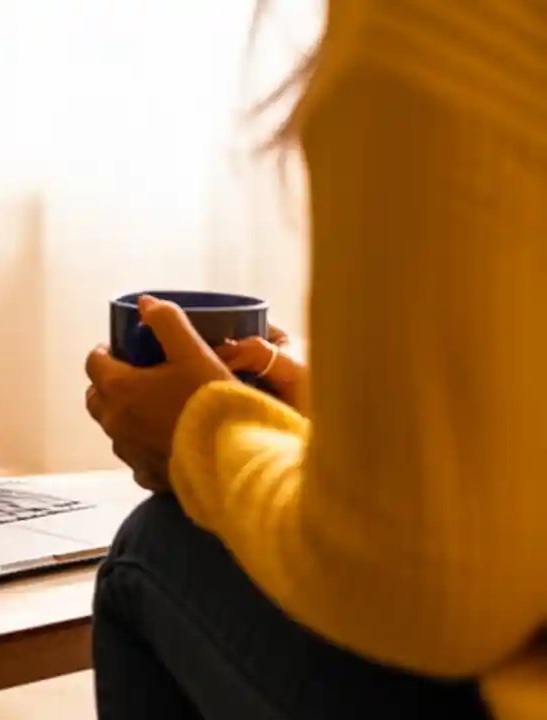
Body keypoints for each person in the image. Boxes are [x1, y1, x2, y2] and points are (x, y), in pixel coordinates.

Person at [84, 1, 547, 719]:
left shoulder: (434, 26)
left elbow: (433, 591)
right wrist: (354, 438)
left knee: (153, 546)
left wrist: (204, 432)